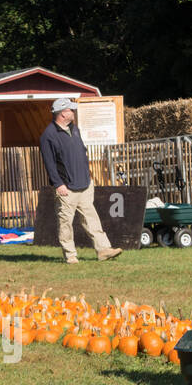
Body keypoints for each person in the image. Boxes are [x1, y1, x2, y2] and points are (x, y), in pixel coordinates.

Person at [39, 98, 121, 264]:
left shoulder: (74, 129)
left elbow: (81, 154)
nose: (73, 112)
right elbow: (49, 163)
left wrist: (88, 177)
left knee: (92, 220)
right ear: (62, 113)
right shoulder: (48, 136)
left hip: (84, 185)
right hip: (66, 188)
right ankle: (70, 255)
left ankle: (104, 250)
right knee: (65, 224)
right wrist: (58, 184)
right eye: (71, 110)